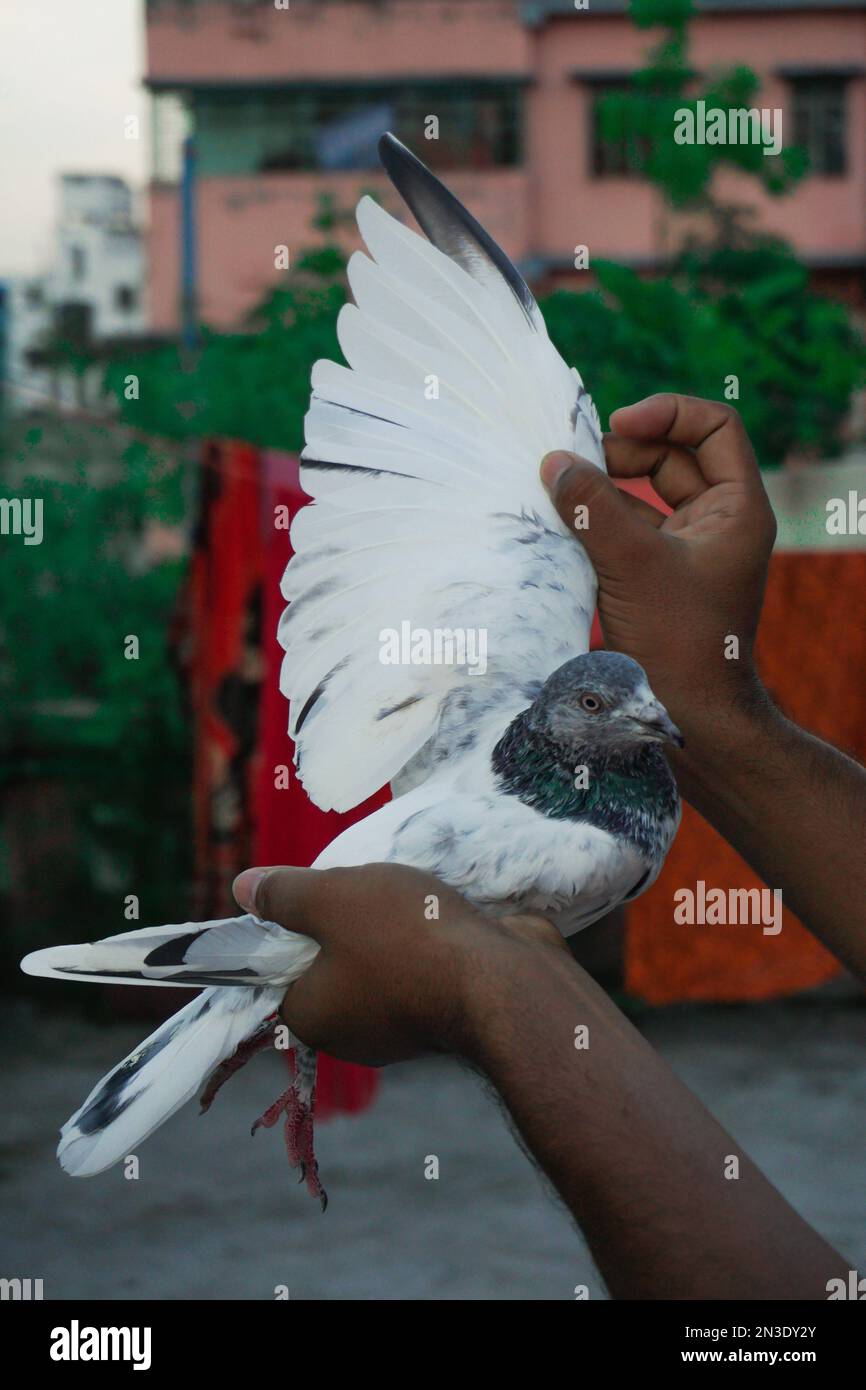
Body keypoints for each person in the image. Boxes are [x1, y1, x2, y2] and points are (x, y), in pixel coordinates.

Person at [233, 394, 861, 1300]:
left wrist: (487, 991)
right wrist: (722, 715)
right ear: (563, 715)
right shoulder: (584, 840)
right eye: (608, 708)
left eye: (648, 702)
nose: (651, 714)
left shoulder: (612, 780)